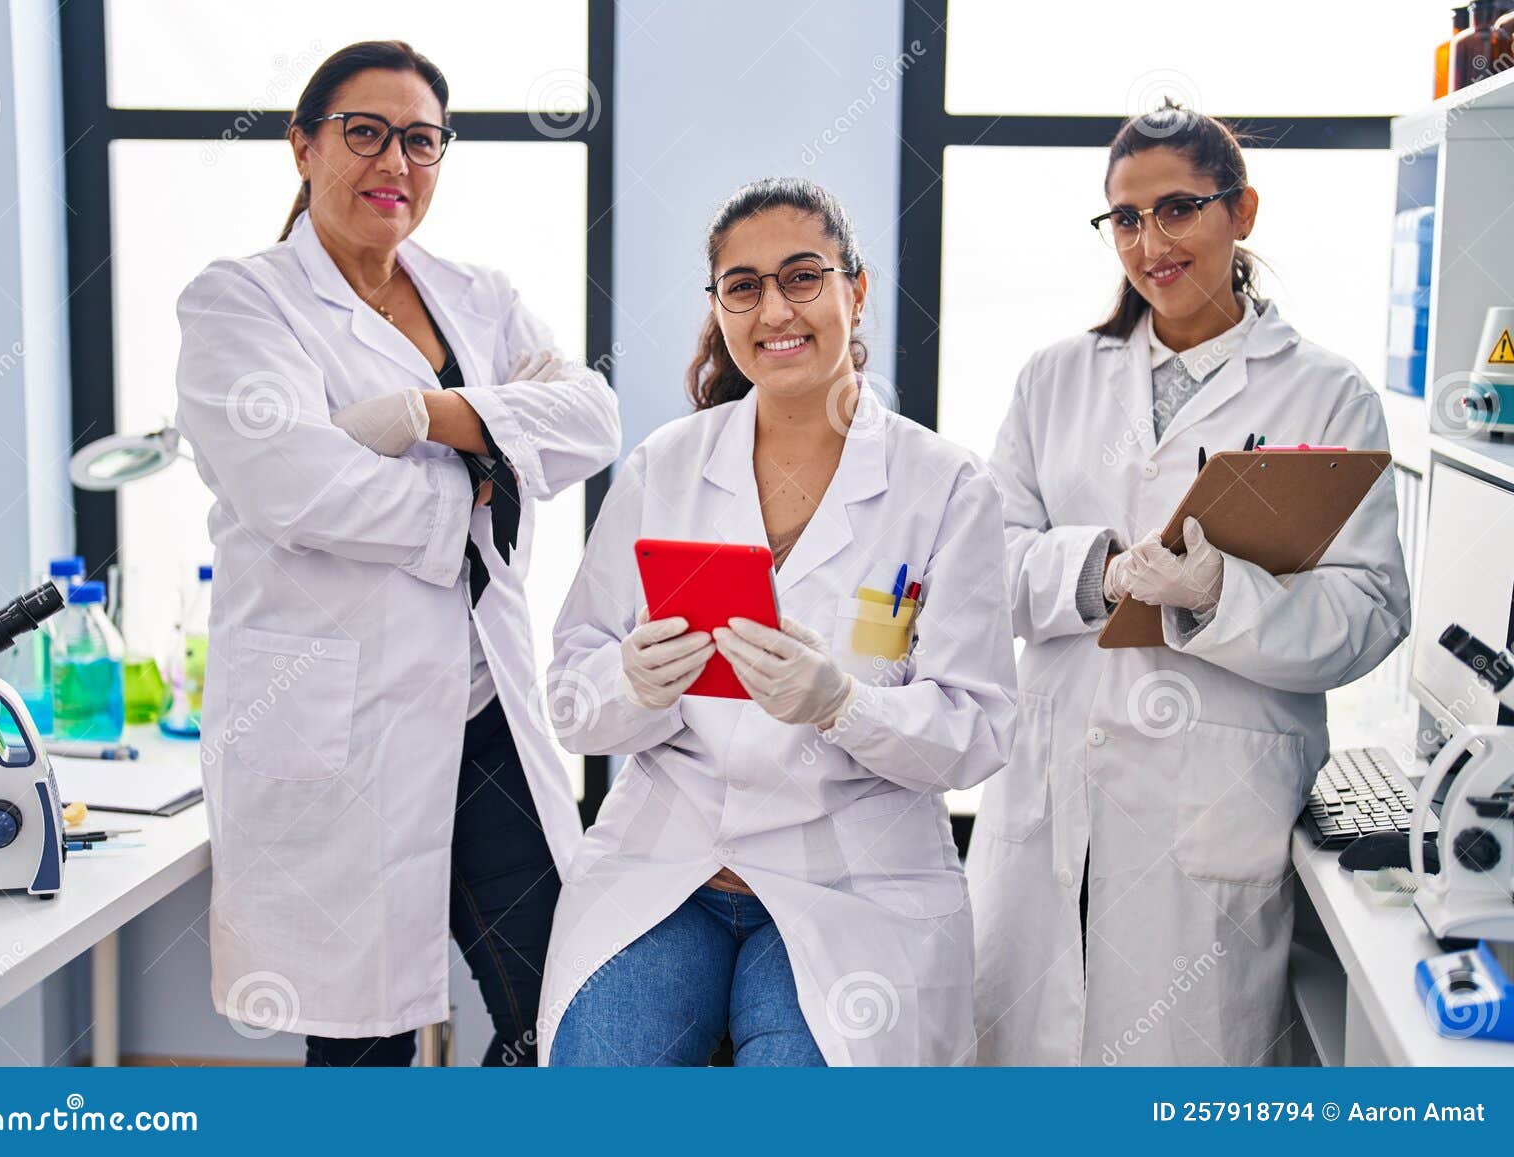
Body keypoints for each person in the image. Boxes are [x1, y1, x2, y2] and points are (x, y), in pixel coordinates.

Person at [173, 40, 620, 1067]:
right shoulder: (240, 302)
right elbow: (296, 486)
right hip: (346, 721)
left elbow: (590, 418)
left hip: (482, 707)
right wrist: (480, 473)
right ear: (302, 145)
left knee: (559, 1002)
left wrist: (429, 410)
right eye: (363, 132)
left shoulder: (477, 294)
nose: (395, 162)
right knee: (365, 1039)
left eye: (421, 140)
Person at [965, 104, 1410, 1066]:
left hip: (1205, 808)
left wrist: (1219, 595)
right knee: (1023, 1062)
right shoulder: (1054, 379)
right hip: (1054, 790)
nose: (1149, 243)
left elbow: (1372, 613)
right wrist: (1099, 569)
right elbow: (984, 565)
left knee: (1182, 1081)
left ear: (1240, 210)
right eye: (1125, 218)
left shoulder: (1327, 394)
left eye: (1178, 209)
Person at [536, 177, 1017, 1066]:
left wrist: (844, 705)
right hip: (667, 863)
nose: (774, 309)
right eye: (743, 286)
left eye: (803, 276)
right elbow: (571, 694)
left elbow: (978, 727)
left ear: (855, 288)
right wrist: (630, 684)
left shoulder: (945, 486)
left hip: (854, 878)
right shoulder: (664, 468)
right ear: (718, 307)